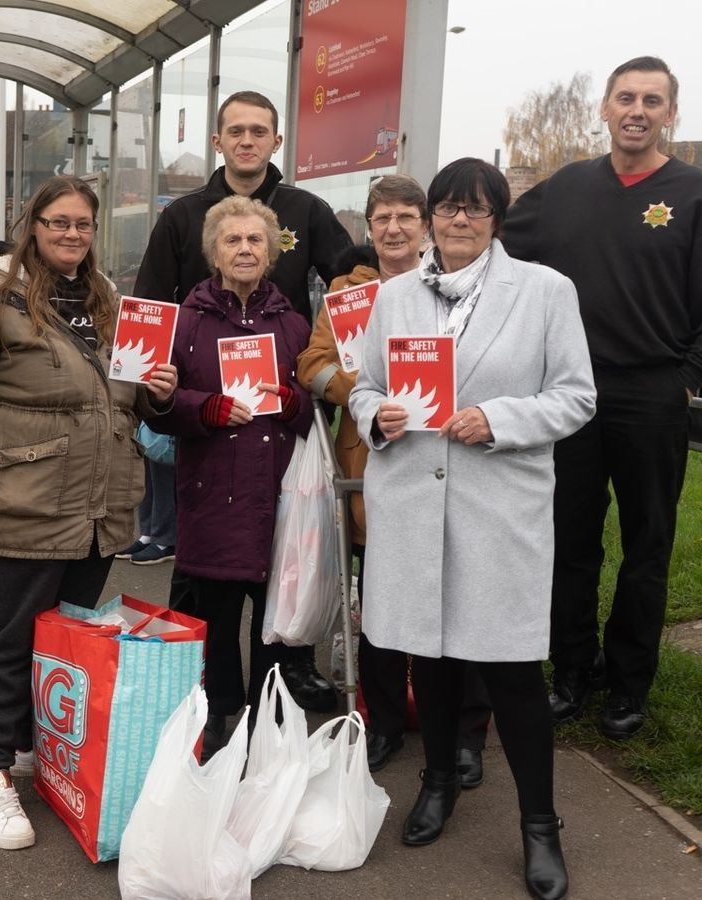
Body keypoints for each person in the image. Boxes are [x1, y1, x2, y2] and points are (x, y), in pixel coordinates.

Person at [348, 158, 595, 900]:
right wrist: (377, 415)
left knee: (512, 671)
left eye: (476, 208)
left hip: (498, 508)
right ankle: (438, 783)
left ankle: (540, 824)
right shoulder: (395, 296)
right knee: (432, 658)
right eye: (448, 207)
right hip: (413, 505)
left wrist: (499, 418)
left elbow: (576, 396)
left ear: (497, 219)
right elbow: (364, 386)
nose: (460, 220)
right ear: (430, 217)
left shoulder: (545, 291)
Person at [0, 176, 176, 850]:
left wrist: (158, 392)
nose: (72, 234)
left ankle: (24, 749)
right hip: (23, 500)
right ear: (32, 226)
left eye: (83, 224)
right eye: (58, 222)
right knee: (7, 642)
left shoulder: (108, 300)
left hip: (97, 507)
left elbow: (124, 397)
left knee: (62, 641)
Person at [135, 89, 352, 712]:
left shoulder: (306, 216)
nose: (248, 140)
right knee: (207, 599)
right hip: (210, 460)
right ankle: (206, 705)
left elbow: (348, 283)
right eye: (236, 130)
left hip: (278, 455)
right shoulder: (182, 219)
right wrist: (166, 391)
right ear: (218, 140)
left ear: (276, 141)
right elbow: (149, 311)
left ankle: (281, 693)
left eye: (260, 130)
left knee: (282, 589)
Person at [505, 56, 702, 740]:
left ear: (670, 113)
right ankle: (571, 671)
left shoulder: (692, 194)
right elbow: (494, 247)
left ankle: (628, 683)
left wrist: (687, 376)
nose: (636, 110)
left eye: (652, 100)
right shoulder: (565, 189)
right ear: (605, 108)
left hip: (653, 392)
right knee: (568, 539)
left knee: (648, 545)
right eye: (625, 98)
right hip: (570, 392)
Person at [297, 174, 492, 779]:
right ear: (369, 227)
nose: (394, 229)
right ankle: (381, 722)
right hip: (372, 466)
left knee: (461, 600)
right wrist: (370, 392)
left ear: (425, 224)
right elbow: (311, 365)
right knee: (378, 605)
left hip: (452, 464)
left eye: (406, 217)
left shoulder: (453, 285)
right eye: (382, 218)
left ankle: (466, 733)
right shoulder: (346, 292)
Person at [146, 195, 313, 758]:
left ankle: (267, 726)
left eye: (255, 239)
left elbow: (317, 410)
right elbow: (154, 405)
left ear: (270, 252)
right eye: (232, 239)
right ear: (213, 252)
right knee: (214, 621)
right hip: (213, 495)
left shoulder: (293, 325)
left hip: (277, 498)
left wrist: (292, 402)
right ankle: (218, 717)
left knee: (273, 623)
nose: (244, 249)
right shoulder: (185, 322)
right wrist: (204, 407)